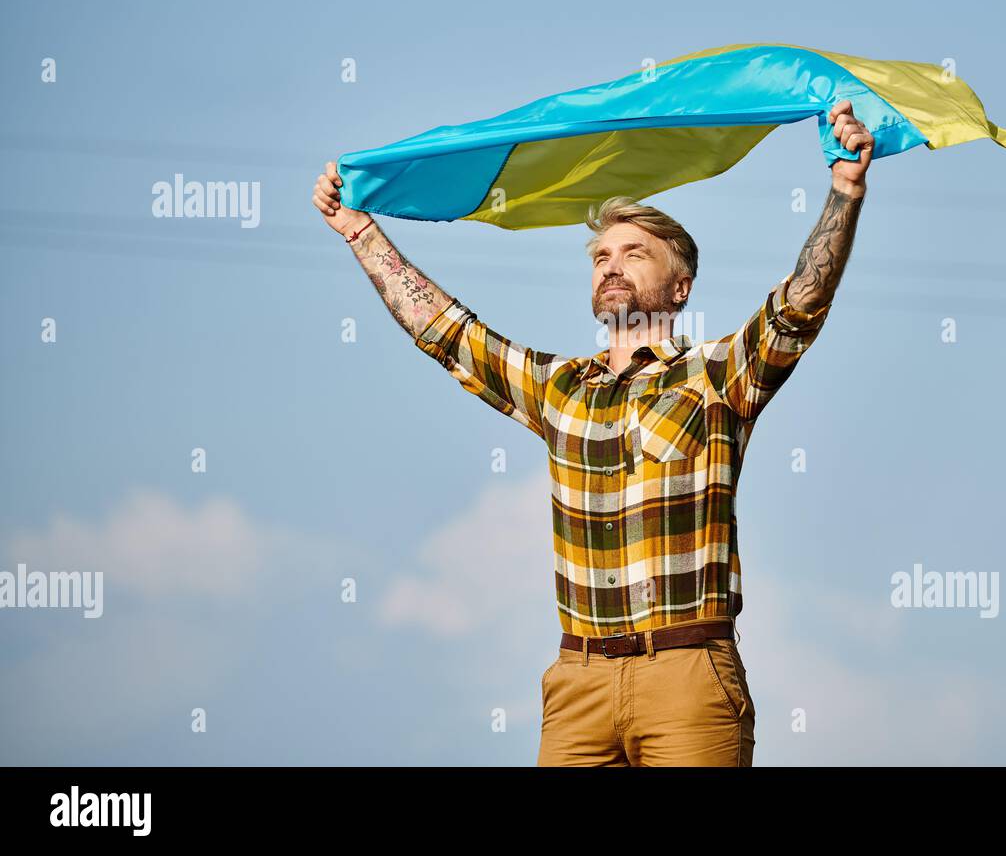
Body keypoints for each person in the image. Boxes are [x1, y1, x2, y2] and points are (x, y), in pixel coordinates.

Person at [310, 99, 874, 766]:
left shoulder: (717, 376)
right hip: (577, 682)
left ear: (679, 288)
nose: (611, 264)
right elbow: (447, 333)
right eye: (602, 255)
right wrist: (356, 228)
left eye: (635, 253)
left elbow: (799, 306)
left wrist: (844, 190)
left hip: (688, 674)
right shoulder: (560, 388)